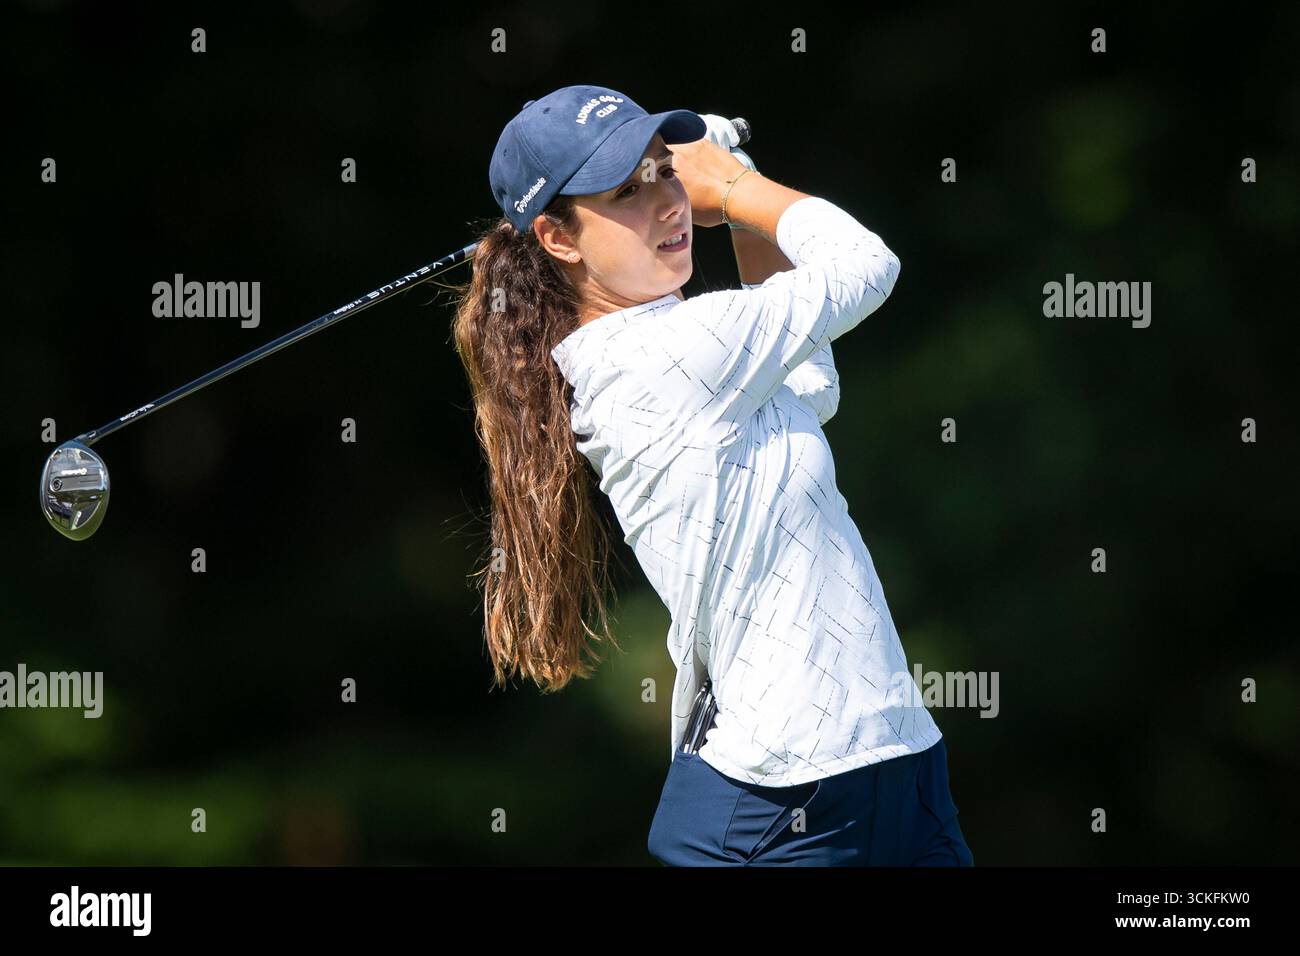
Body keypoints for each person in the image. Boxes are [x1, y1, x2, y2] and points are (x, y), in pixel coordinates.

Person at [452, 84, 973, 866]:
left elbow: (808, 388)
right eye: (628, 191)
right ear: (558, 238)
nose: (667, 202)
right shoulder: (659, 357)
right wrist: (733, 187)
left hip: (892, 759)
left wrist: (736, 191)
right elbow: (867, 263)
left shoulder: (692, 347)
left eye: (666, 173)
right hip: (786, 802)